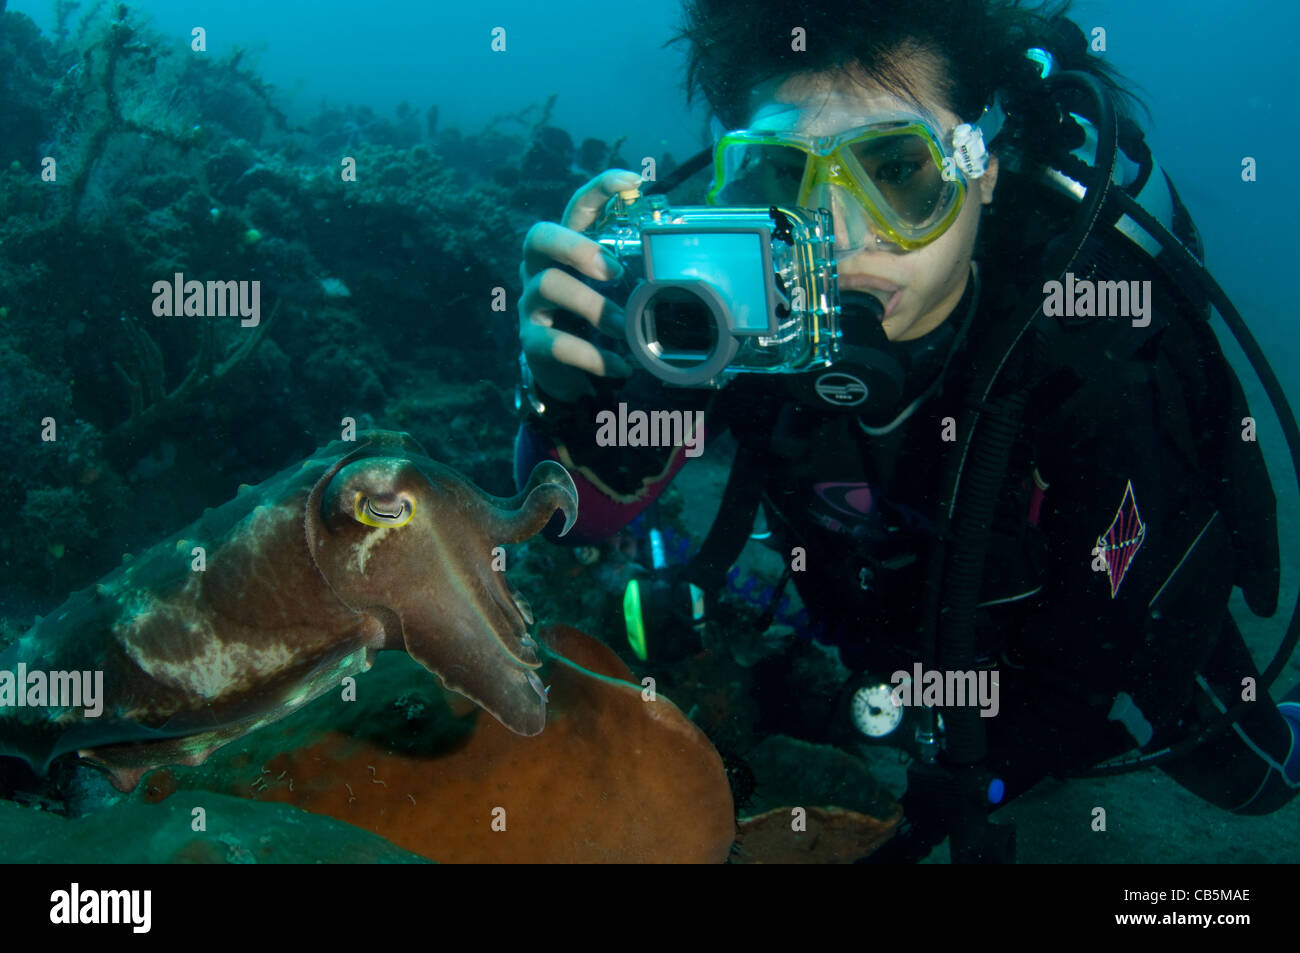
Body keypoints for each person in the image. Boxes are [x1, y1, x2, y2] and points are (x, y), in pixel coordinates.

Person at [513, 0, 1300, 861]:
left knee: (1252, 775)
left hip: (1079, 636)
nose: (843, 237)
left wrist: (979, 780)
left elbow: (1094, 664)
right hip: (882, 629)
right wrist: (567, 394)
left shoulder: (1084, 337)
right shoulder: (736, 298)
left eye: (897, 169)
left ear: (984, 166)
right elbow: (580, 515)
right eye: (782, 177)